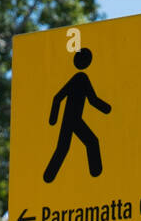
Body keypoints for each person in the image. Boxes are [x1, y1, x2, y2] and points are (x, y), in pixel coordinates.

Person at [44, 48, 111, 183]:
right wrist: (52, 119)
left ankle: (49, 176)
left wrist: (106, 108)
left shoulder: (79, 78)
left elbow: (91, 100)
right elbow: (58, 98)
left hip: (71, 119)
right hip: (72, 119)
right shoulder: (80, 78)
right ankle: (96, 174)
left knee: (66, 147)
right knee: (88, 142)